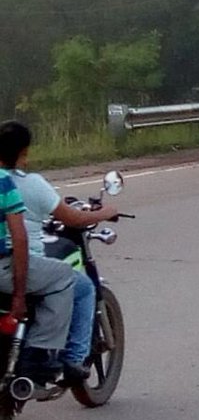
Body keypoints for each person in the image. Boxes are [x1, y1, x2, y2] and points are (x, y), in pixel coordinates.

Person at [2, 121, 117, 384]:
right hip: (12, 266)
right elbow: (72, 219)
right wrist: (105, 212)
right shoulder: (24, 185)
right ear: (24, 153)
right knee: (77, 283)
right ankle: (61, 358)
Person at [0, 122, 77, 384]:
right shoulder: (6, 183)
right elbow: (18, 238)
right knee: (64, 275)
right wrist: (19, 295)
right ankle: (40, 354)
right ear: (23, 152)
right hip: (3, 268)